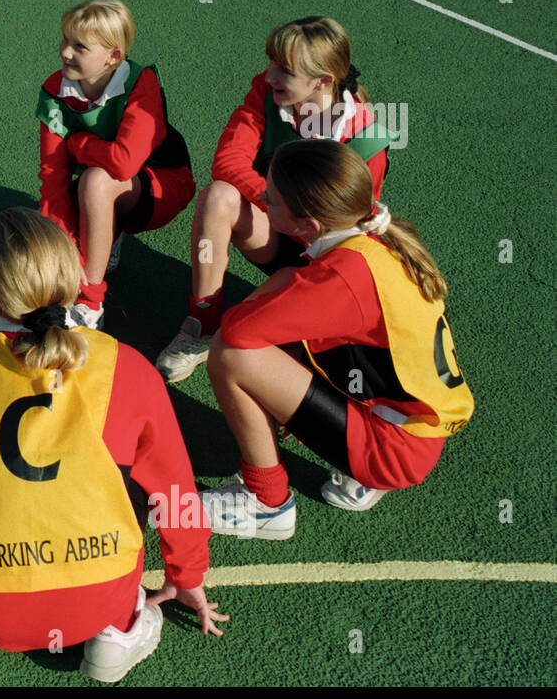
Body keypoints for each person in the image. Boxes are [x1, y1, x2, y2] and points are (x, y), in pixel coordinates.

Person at [0, 208, 225, 683]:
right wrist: (188, 575)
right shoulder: (127, 364)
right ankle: (116, 637)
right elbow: (174, 491)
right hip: (99, 599)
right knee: (123, 478)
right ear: (78, 279)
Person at [199, 141, 473, 539]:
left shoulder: (343, 276)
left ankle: (265, 504)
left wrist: (273, 292)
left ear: (308, 226)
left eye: (271, 198)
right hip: (412, 428)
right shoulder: (369, 240)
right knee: (282, 305)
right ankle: (354, 472)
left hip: (390, 450)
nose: (260, 197)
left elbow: (239, 332)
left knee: (231, 354)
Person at [155, 16, 392, 382]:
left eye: (284, 70)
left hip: (320, 256)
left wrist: (286, 214)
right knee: (219, 197)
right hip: (279, 229)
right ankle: (201, 323)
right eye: (270, 64)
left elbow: (347, 238)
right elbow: (227, 163)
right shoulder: (266, 96)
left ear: (323, 81)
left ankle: (298, 327)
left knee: (252, 340)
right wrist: (278, 208)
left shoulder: (366, 139)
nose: (269, 76)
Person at [38, 0, 194, 330]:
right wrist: (62, 247)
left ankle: (91, 303)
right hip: (106, 184)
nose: (65, 52)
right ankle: (103, 238)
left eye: (79, 46)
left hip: (165, 185)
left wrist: (79, 144)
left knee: (96, 181)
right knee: (47, 244)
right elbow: (52, 175)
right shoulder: (55, 90)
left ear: (113, 57)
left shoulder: (141, 83)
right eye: (65, 39)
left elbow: (123, 163)